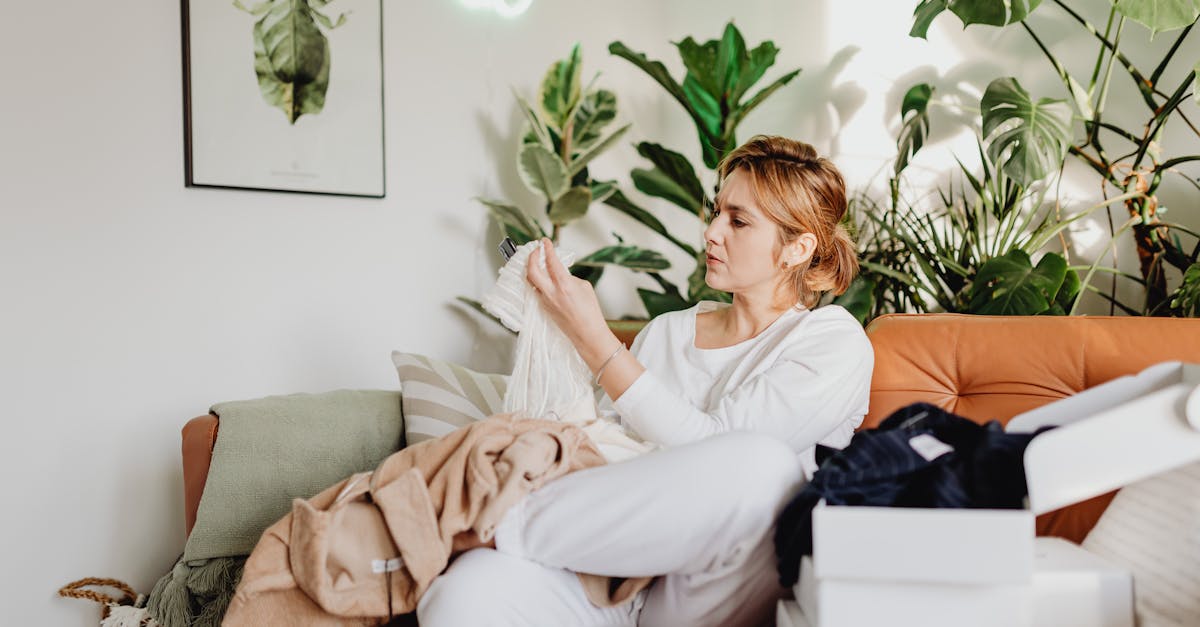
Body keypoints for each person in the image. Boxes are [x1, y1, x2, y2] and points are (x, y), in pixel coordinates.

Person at [418, 135, 874, 626]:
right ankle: (490, 531)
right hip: (612, 574)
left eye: (738, 221)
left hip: (708, 594)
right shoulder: (667, 332)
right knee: (464, 593)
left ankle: (476, 523)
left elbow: (716, 444)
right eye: (717, 211)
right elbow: (606, 456)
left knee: (764, 468)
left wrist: (594, 338)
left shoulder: (832, 342)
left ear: (797, 248)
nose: (713, 232)